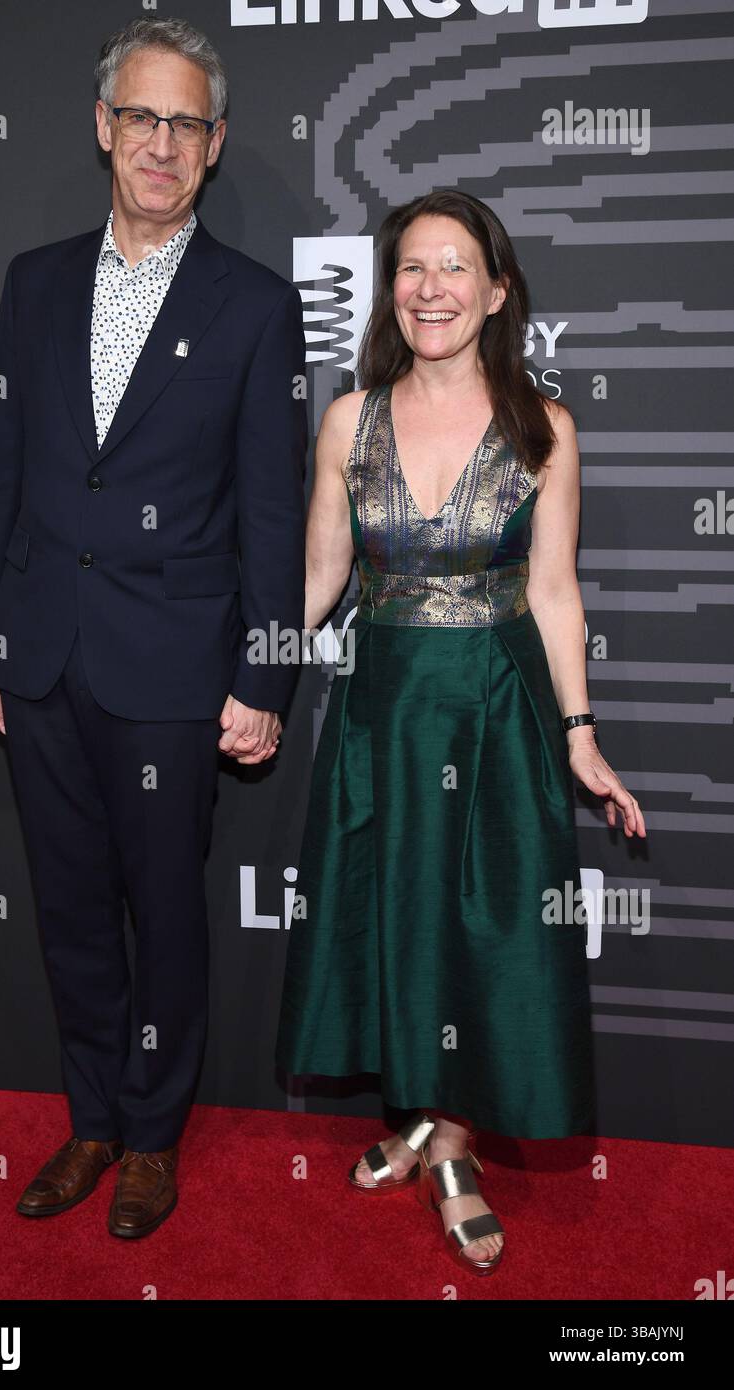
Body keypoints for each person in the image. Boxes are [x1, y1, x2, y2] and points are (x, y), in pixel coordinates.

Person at [0, 16, 306, 1239]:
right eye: (141, 119)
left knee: (163, 909)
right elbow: (0, 470)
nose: (161, 145)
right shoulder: (33, 282)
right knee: (66, 906)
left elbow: (274, 512)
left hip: (173, 666)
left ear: (214, 149)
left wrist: (266, 676)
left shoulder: (256, 310)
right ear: (105, 128)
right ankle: (92, 1117)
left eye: (187, 125)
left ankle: (153, 1136)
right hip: (43, 651)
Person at [276, 190, 646, 1274]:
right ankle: (423, 1119)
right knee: (397, 915)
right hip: (384, 710)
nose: (430, 287)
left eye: (454, 268)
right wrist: (242, 676)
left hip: (494, 706)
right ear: (391, 290)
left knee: (481, 925)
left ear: (494, 292)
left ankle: (452, 1143)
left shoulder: (544, 427)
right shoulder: (349, 417)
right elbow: (319, 575)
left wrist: (578, 735)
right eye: (410, 268)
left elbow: (555, 594)